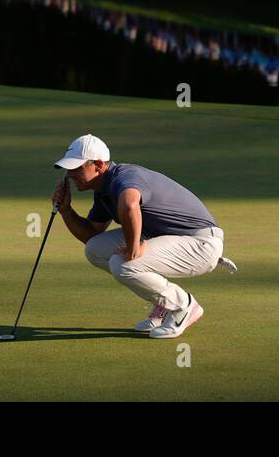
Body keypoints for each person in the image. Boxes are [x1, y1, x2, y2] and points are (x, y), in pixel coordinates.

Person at [50, 134, 237, 339]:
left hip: (200, 243)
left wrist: (133, 249)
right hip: (169, 238)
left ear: (99, 165)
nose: (70, 174)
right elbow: (91, 234)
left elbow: (130, 204)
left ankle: (184, 306)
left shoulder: (126, 177)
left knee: (123, 264)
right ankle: (163, 306)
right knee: (95, 249)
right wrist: (66, 210)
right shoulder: (102, 190)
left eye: (77, 168)